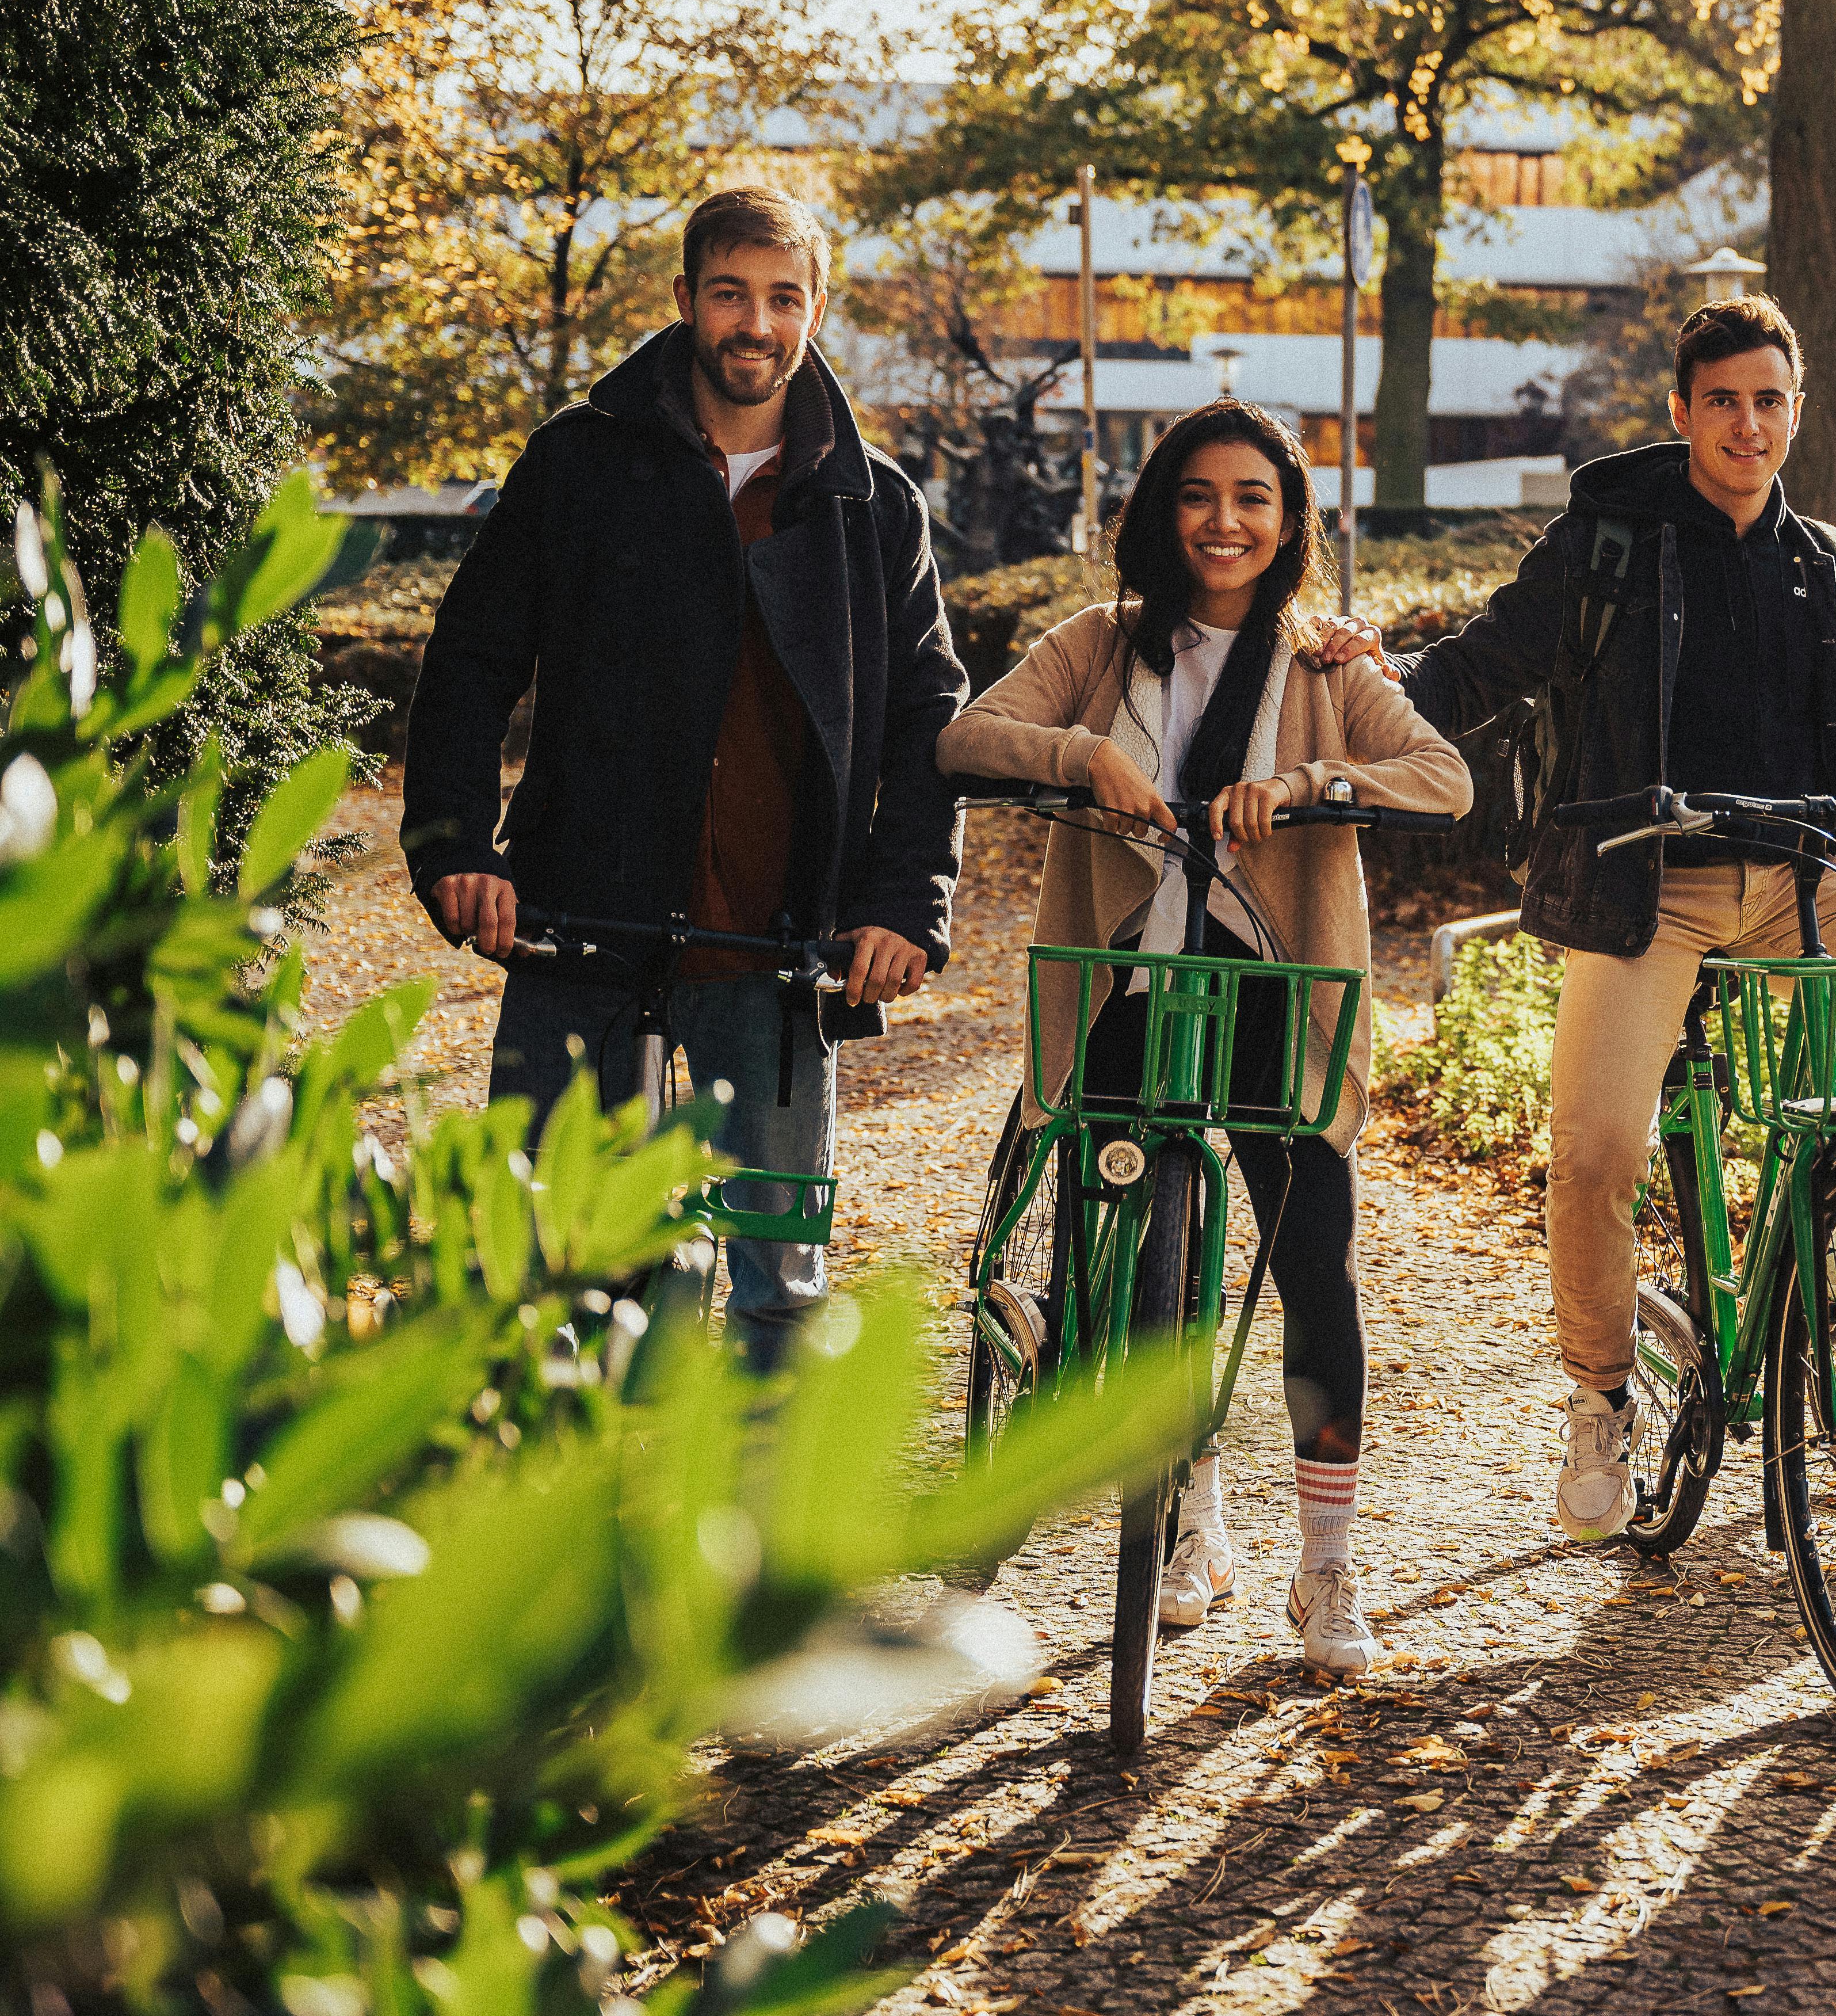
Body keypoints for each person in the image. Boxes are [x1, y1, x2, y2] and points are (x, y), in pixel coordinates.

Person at [1343, 294, 1836, 1542]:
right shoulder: (1611, 539)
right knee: (1599, 1146)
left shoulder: (1819, 561)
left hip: (1809, 877)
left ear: (1799, 412)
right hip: (1652, 884)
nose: (1747, 425)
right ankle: (1600, 1397)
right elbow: (1487, 664)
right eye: (1723, 402)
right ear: (1682, 411)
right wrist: (1372, 707)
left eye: (1769, 401)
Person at [940, 400, 1471, 1677]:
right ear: (1160, 510)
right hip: (1121, 987)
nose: (1224, 521)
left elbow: (1442, 779)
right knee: (1147, 1280)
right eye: (1197, 494)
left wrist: (1302, 786)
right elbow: (961, 736)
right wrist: (1081, 758)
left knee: (1315, 1271)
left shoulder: (1329, 666)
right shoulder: (1098, 643)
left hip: (1275, 998)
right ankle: (1195, 1515)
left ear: (1289, 522)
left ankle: (1328, 1565)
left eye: (1255, 498)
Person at [406, 185, 965, 1371]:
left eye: (782, 296)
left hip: (779, 946)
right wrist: (456, 848)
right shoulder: (579, 463)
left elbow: (928, 714)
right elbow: (468, 662)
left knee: (778, 1292)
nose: (754, 322)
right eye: (729, 293)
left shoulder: (876, 506)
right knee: (553, 1267)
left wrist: (904, 900)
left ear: (818, 310)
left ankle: (753, 1551)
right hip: (580, 925)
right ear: (684, 301)